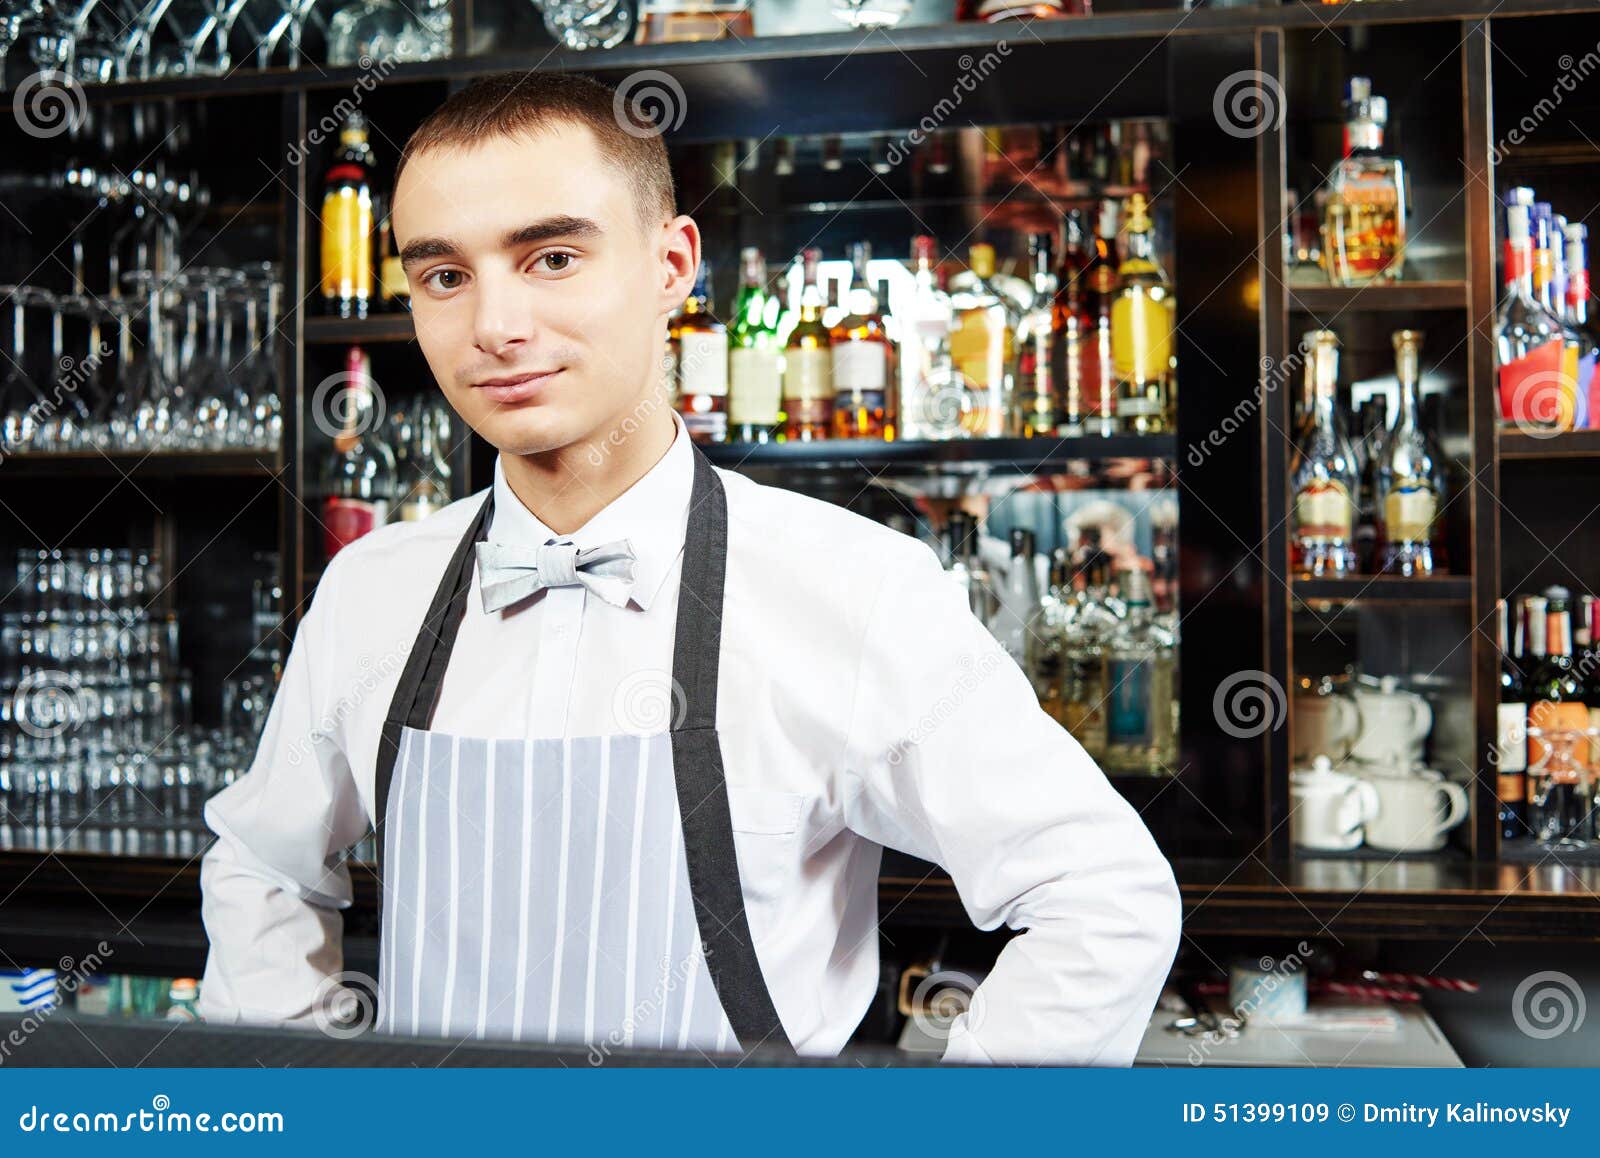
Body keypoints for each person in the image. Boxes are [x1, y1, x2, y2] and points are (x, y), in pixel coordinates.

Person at [197, 70, 1181, 1064]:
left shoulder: (856, 587)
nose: (494, 326)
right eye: (444, 276)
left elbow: (1104, 897)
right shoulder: (370, 591)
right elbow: (263, 867)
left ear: (671, 265)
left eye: (551, 257)